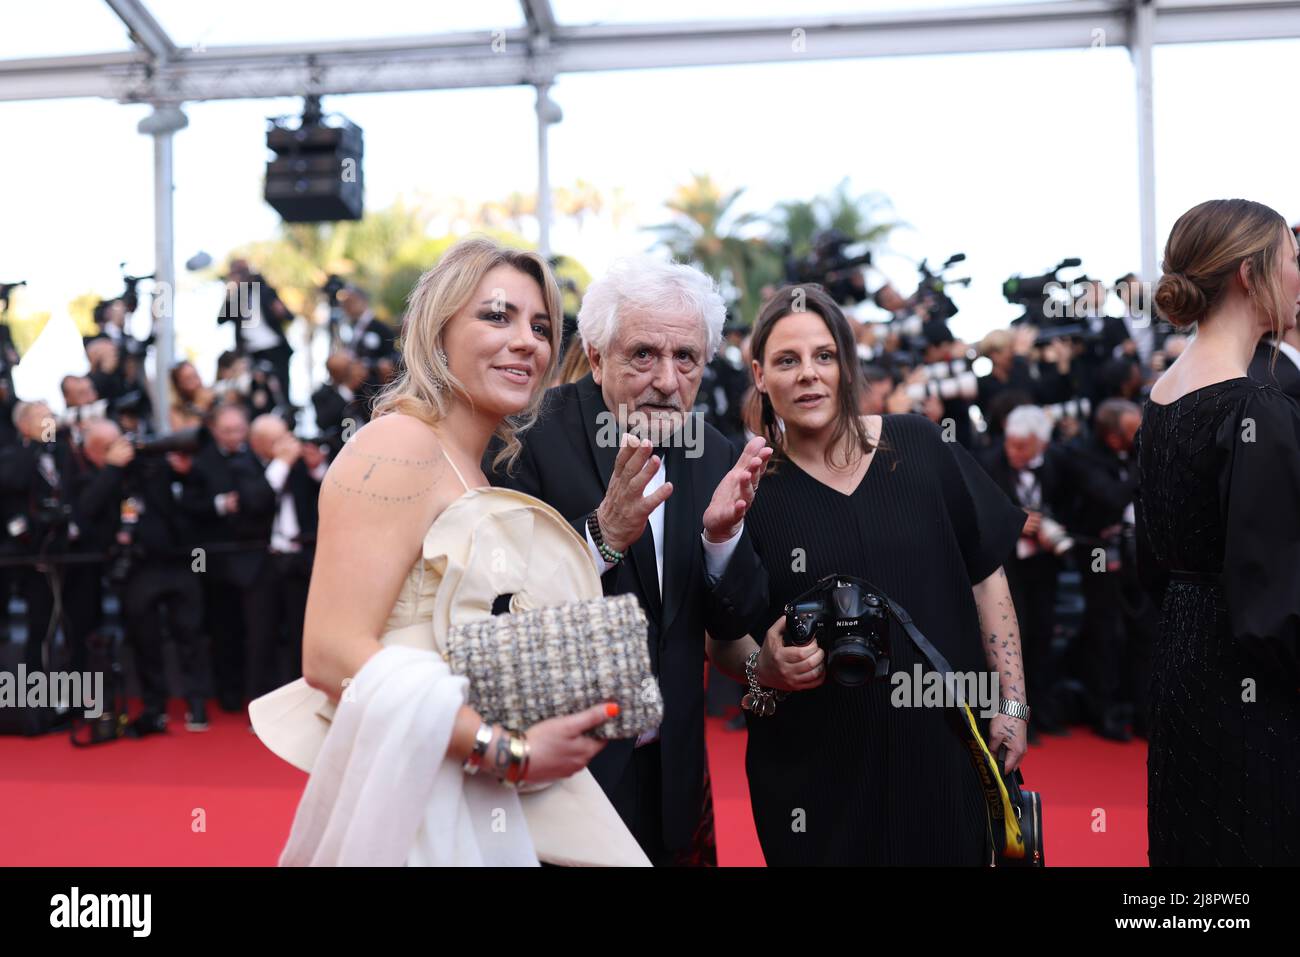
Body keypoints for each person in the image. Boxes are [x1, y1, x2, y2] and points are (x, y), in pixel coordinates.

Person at [281, 236, 635, 866]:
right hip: (419, 805)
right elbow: (331, 655)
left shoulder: (477, 471)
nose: (527, 340)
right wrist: (509, 752)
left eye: (542, 326)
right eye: (497, 315)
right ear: (437, 331)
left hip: (469, 792)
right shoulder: (398, 444)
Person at [705, 284, 1030, 866]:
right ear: (758, 374)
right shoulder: (746, 487)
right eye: (787, 360)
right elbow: (724, 642)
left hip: (943, 751)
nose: (808, 375)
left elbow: (987, 575)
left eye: (824, 356)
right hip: (816, 771)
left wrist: (1012, 701)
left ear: (846, 365)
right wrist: (766, 669)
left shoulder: (920, 445)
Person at [486, 255, 771, 865]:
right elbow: (497, 612)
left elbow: (733, 621)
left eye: (686, 358)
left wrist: (721, 542)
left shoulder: (715, 450)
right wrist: (601, 539)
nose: (667, 380)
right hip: (564, 780)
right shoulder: (527, 438)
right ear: (595, 355)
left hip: (675, 778)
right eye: (643, 355)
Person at [1135, 198, 1300, 865]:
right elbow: (1276, 610)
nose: (1299, 274)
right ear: (1246, 272)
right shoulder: (1256, 404)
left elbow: (1151, 561)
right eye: (1291, 258)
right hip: (1253, 687)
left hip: (1183, 660)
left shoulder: (1162, 393)